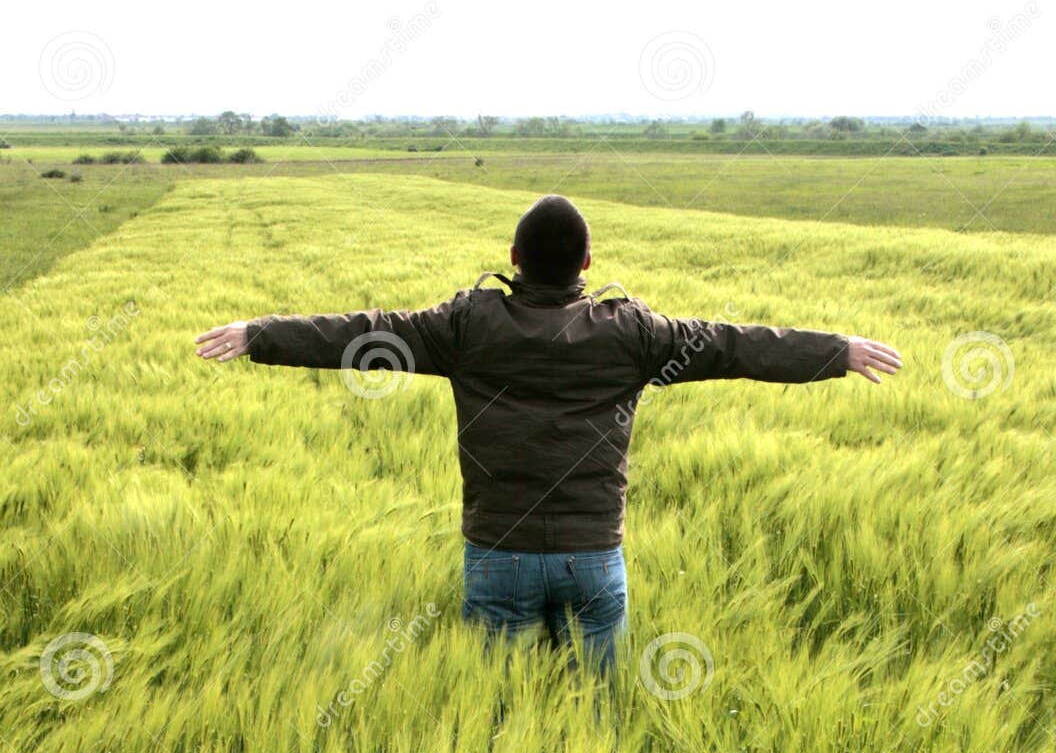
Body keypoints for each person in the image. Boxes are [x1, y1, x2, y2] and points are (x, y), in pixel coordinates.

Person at [196, 194, 901, 671]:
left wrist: (259, 335)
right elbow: (734, 346)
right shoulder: (634, 333)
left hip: (498, 552)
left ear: (514, 254)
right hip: (591, 557)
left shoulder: (463, 327)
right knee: (593, 720)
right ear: (587, 265)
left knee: (497, 716)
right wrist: (837, 351)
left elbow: (357, 332)